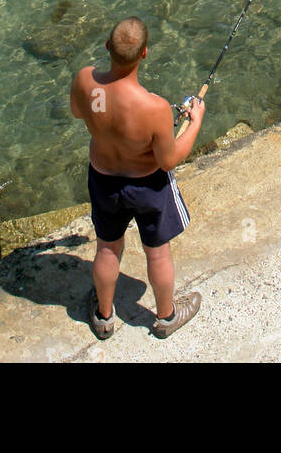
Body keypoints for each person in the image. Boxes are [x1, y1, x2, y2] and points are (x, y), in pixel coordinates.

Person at [71, 17, 205, 340]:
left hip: (104, 179)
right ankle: (166, 317)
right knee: (157, 252)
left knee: (107, 249)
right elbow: (169, 159)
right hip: (148, 187)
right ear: (145, 54)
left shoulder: (85, 82)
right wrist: (195, 122)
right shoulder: (155, 108)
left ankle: (104, 317)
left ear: (107, 47)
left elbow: (78, 112)